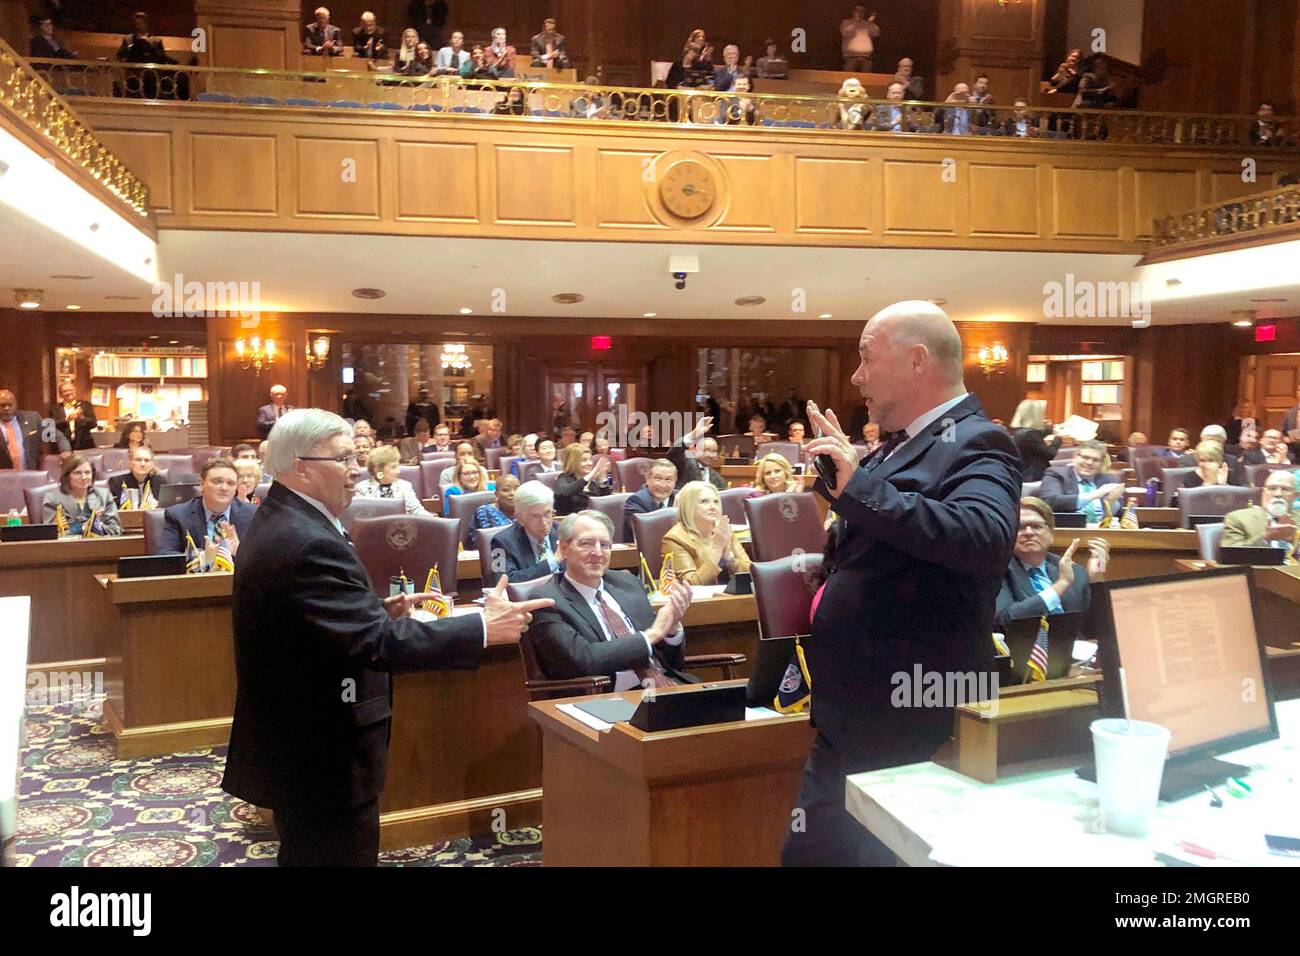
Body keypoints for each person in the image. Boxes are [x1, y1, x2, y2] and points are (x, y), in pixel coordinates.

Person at [221, 408, 550, 865]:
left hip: (304, 740)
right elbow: (377, 644)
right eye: (344, 459)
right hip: (322, 749)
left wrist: (372, 610)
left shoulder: (286, 516)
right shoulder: (304, 538)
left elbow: (313, 621)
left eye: (357, 457)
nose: (357, 470)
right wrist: (481, 627)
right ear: (300, 467)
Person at [786, 300, 1021, 867]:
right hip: (857, 716)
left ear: (917, 361)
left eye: (867, 360)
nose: (856, 377)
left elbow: (982, 537)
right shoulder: (906, 441)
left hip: (910, 719)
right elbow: (887, 535)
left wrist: (862, 486)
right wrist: (842, 477)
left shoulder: (979, 441)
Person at [529, 510, 695, 689]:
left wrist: (671, 631)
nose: (598, 553)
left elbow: (671, 662)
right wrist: (652, 634)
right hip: (607, 698)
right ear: (564, 549)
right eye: (587, 544)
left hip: (669, 687)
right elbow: (584, 659)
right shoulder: (548, 600)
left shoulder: (627, 583)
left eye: (605, 545)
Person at [995, 497, 1109, 629]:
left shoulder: (1075, 571)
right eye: (1020, 527)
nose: (1029, 532)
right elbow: (1004, 619)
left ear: (1051, 533)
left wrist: (1096, 580)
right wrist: (1061, 585)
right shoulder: (997, 570)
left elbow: (1093, 627)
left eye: (1036, 526)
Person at [155, 458, 256, 555]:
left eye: (230, 483)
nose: (224, 488)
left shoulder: (252, 515)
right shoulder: (179, 515)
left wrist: (241, 554)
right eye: (217, 482)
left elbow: (265, 557)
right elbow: (165, 555)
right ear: (202, 484)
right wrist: (202, 557)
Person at [661, 480, 752, 585]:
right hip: (701, 600)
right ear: (688, 506)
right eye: (704, 501)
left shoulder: (723, 530)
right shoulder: (675, 539)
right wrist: (717, 551)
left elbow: (752, 572)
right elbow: (692, 584)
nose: (713, 507)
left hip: (730, 596)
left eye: (716, 501)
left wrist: (731, 561)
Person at [490, 480, 562, 582]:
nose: (543, 522)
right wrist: (553, 562)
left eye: (547, 514)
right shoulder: (500, 542)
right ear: (520, 519)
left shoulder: (564, 533)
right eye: (535, 517)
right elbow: (503, 580)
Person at [1038, 440, 1125, 520]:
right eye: (1085, 457)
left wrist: (1112, 502)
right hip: (1068, 530)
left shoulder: (1109, 480)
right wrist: (1095, 494)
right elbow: (1050, 502)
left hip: (1103, 531)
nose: (1089, 463)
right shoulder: (1057, 474)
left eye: (1095, 460)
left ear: (1101, 463)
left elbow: (1118, 515)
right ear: (1075, 456)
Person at [42, 454, 122, 536]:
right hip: (67, 547)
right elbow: (51, 535)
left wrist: (97, 526)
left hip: (101, 546)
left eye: (87, 472)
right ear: (67, 476)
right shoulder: (52, 499)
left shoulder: (104, 496)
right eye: (77, 473)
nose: (84, 477)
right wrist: (83, 527)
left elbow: (116, 530)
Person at [1221, 471, 1298, 548]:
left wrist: (1296, 542)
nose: (1278, 494)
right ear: (1263, 493)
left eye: (1285, 489)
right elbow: (1231, 555)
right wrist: (1265, 539)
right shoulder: (1237, 519)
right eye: (1272, 488)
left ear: (1295, 495)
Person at [352, 445, 423, 515]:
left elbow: (417, 511)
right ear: (377, 469)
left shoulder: (405, 486)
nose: (398, 471)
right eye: (393, 467)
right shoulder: (361, 489)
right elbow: (362, 517)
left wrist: (433, 520)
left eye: (398, 466)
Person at [623, 458, 677, 540]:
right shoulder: (636, 501)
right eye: (658, 479)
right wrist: (676, 512)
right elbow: (649, 534)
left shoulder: (681, 498)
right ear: (647, 479)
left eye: (668, 480)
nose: (663, 485)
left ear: (675, 482)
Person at [553, 442, 613, 516]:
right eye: (584, 460)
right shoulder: (563, 479)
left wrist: (602, 479)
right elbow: (564, 493)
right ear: (572, 462)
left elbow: (606, 504)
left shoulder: (593, 483)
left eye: (590, 459)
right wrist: (593, 473)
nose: (589, 463)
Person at [668, 419, 726, 490]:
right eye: (706, 450)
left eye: (714, 451)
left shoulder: (718, 478)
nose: (710, 455)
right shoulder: (684, 464)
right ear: (695, 450)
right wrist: (694, 434)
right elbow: (674, 452)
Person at [52, 380, 97, 451]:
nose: (68, 393)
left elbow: (94, 424)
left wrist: (82, 417)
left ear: (75, 391)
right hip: (65, 447)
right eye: (65, 391)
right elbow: (53, 425)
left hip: (85, 445)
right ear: (60, 394)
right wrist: (67, 419)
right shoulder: (55, 408)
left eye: (71, 390)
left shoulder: (86, 405)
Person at [839, 5, 880, 73]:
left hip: (866, 58)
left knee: (866, 80)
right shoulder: (846, 22)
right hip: (850, 57)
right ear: (853, 12)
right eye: (857, 10)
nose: (860, 12)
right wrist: (856, 22)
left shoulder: (867, 24)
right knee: (849, 78)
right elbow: (845, 33)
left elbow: (876, 33)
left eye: (862, 11)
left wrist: (871, 23)